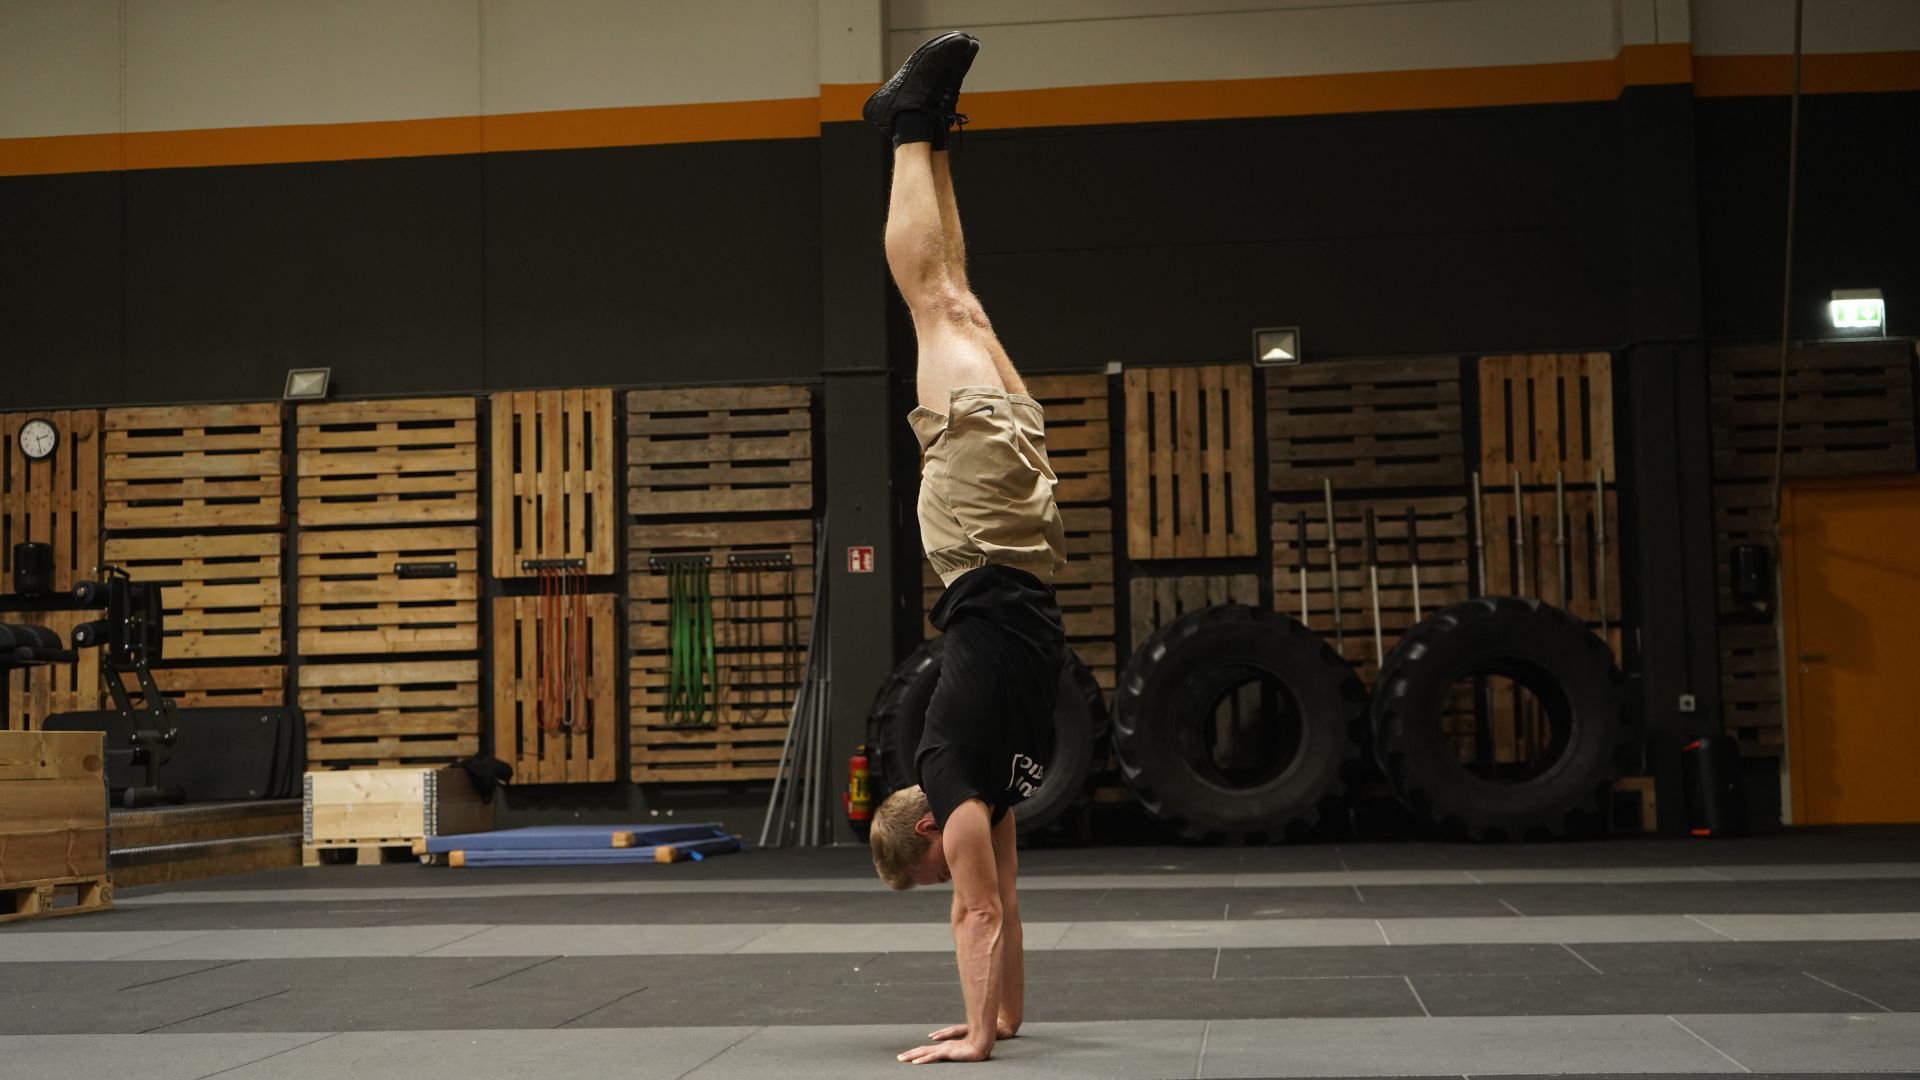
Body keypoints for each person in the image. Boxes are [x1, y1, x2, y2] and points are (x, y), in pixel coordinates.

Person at [862, 30, 1070, 1067]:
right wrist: (1003, 1019)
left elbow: (977, 913)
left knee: (934, 305)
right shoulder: (995, 788)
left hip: (983, 536)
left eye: (937, 867)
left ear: (926, 833)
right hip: (1019, 538)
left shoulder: (952, 774)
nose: (956, 873)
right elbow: (1008, 907)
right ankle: (932, 129)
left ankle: (907, 124)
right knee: (967, 306)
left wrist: (974, 1044)